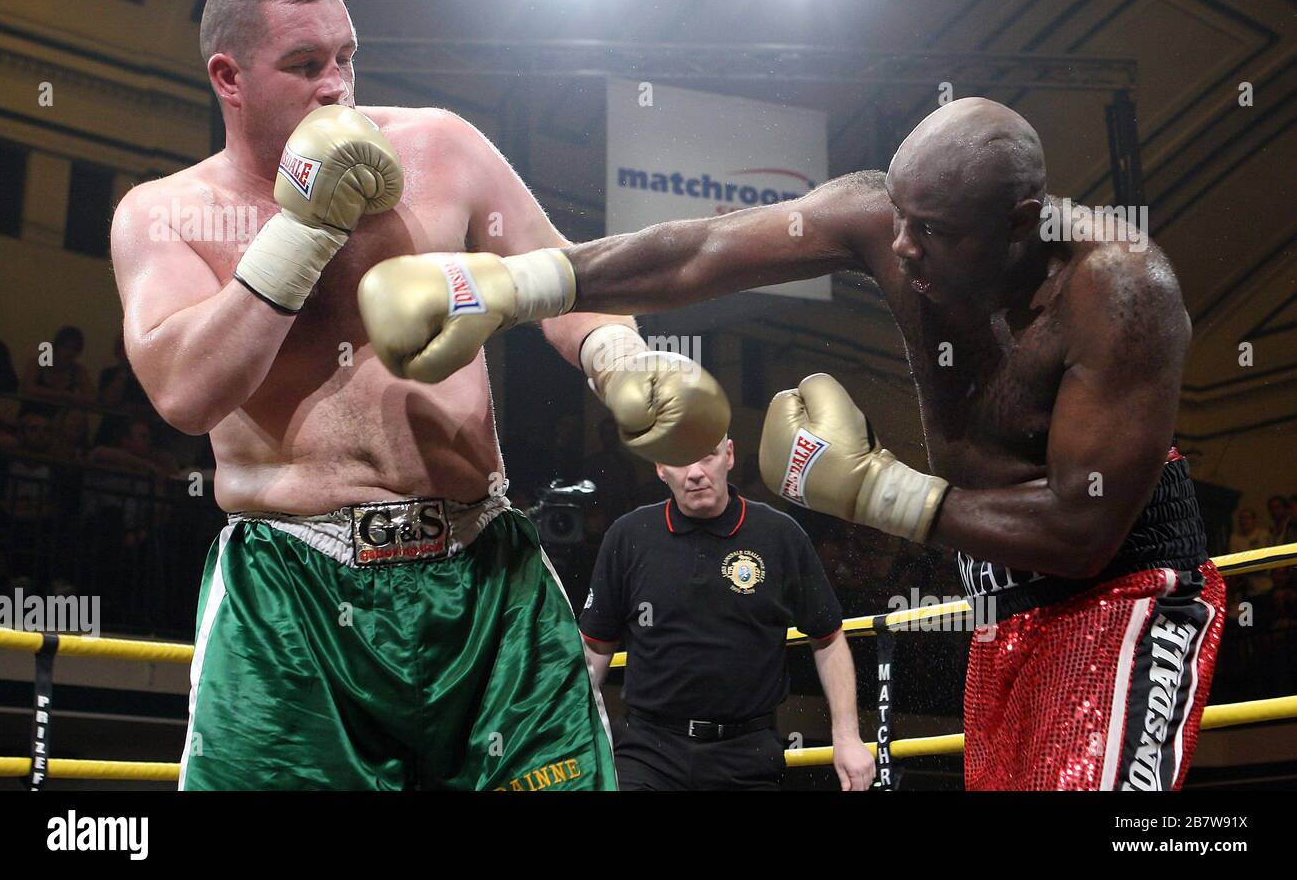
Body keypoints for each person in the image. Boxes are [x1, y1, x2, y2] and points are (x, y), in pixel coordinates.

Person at [367, 97, 1225, 791]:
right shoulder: (886, 219)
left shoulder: (1117, 292)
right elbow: (700, 250)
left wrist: (870, 490)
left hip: (1123, 594)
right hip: (1002, 605)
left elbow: (1083, 534)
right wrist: (516, 284)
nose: (901, 244)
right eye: (901, 215)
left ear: (1020, 222)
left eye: (932, 230)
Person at [110, 0, 729, 791]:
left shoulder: (442, 147)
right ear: (229, 76)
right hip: (295, 595)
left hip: (485, 570)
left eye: (345, 57)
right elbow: (185, 393)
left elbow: (565, 282)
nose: (335, 86)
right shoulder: (166, 213)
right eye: (302, 66)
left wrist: (619, 362)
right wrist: (304, 230)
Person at [580, 437, 874, 790]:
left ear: (729, 455)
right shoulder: (629, 536)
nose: (695, 474)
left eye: (706, 457)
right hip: (647, 752)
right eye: (679, 460)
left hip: (746, 755)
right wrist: (564, 736)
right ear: (660, 468)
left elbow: (827, 639)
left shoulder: (779, 535)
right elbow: (596, 647)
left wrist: (846, 737)